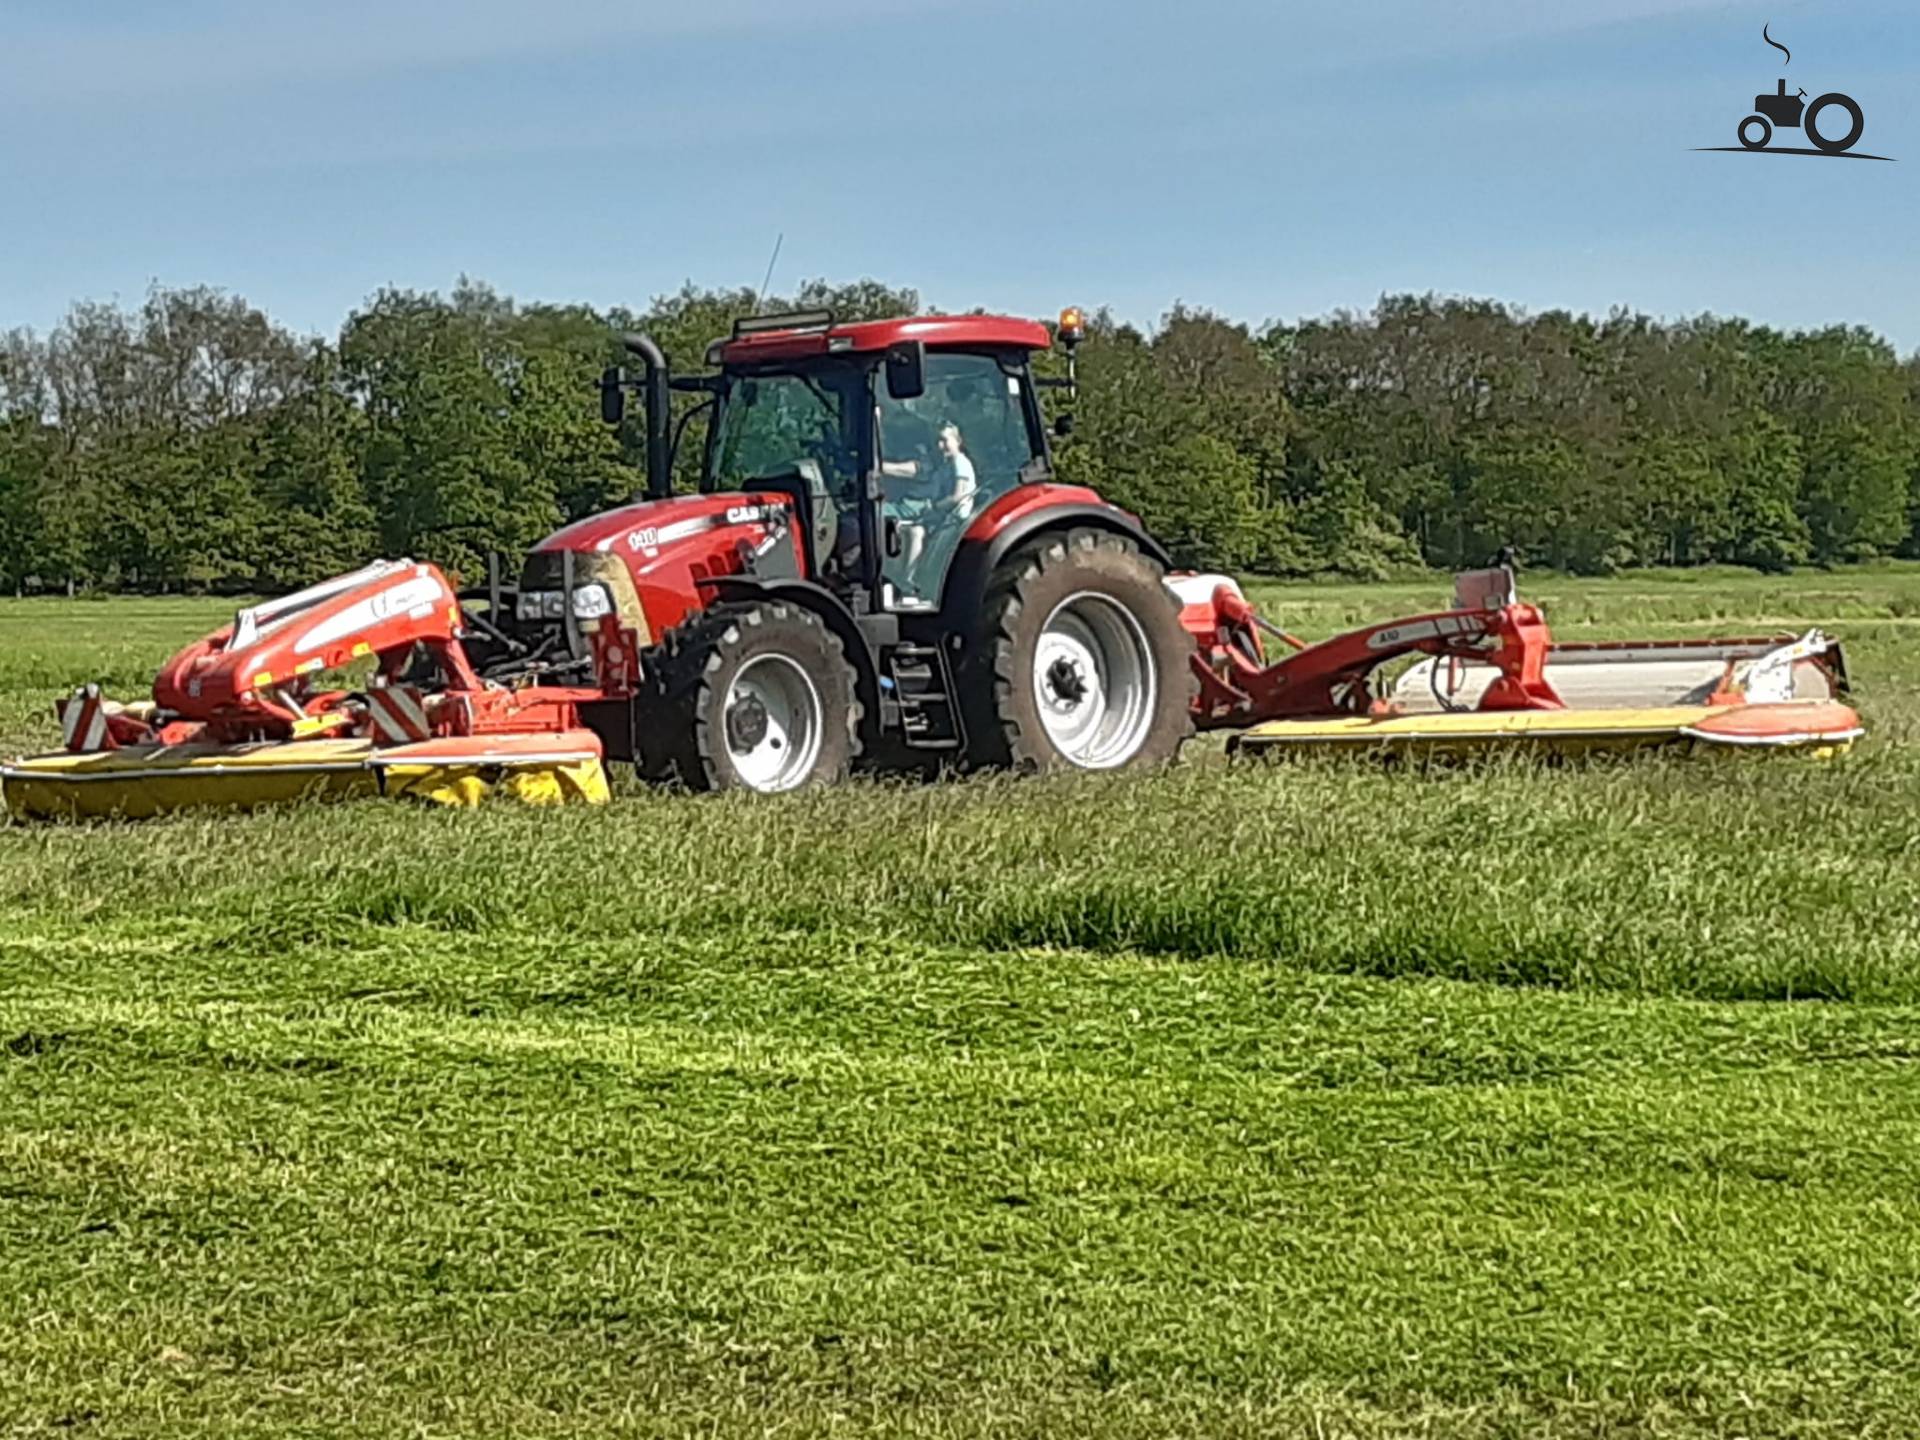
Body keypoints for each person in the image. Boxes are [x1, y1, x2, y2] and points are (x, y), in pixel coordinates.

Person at [882, 421, 977, 578]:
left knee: (915, 531)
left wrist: (935, 507)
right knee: (908, 529)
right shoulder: (947, 465)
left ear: (958, 441)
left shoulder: (961, 462)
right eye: (939, 441)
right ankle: (902, 579)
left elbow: (958, 496)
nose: (941, 445)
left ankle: (908, 581)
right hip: (943, 516)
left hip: (954, 519)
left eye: (945, 440)